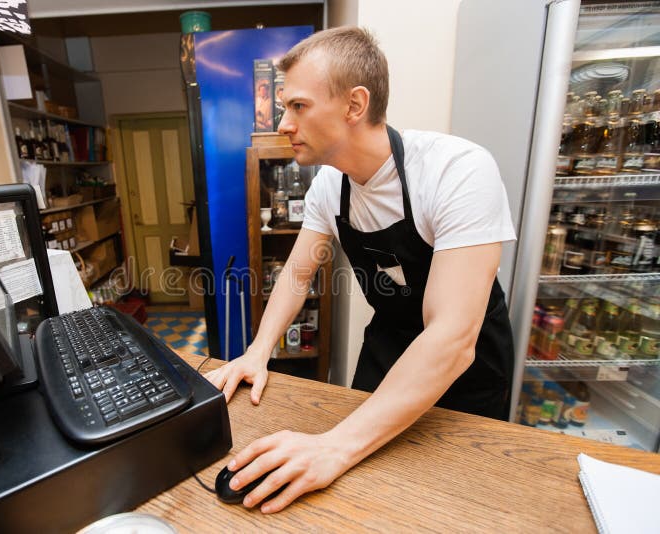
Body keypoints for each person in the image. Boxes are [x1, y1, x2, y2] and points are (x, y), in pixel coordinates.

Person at [205, 27, 515, 514]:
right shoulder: (329, 186)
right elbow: (297, 275)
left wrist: (334, 446)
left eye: (298, 106)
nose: (283, 124)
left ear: (354, 105)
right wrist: (257, 352)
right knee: (361, 498)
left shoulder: (457, 170)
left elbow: (452, 338)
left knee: (451, 503)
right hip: (389, 345)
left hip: (467, 368)